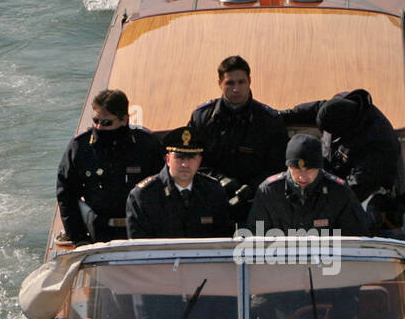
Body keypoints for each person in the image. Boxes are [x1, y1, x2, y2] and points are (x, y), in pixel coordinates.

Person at [185, 55, 288, 222]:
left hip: (257, 203)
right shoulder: (202, 118)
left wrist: (253, 188)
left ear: (249, 81)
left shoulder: (269, 121)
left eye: (241, 82)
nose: (236, 89)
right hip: (212, 200)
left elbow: (279, 165)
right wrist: (220, 181)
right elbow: (192, 158)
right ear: (220, 84)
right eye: (230, 83)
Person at [54, 89, 163, 245]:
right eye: (95, 120)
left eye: (106, 122)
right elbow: (66, 194)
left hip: (142, 230)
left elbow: (163, 186)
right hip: (99, 232)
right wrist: (78, 238)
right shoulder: (80, 147)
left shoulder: (146, 145)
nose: (99, 127)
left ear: (124, 120)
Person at [278, 89, 400, 203]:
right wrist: (281, 116)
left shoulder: (377, 144)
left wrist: (318, 200)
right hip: (328, 164)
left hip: (361, 188)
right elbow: (317, 109)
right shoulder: (341, 103)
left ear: (345, 132)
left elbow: (356, 188)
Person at [246, 134, 369, 235]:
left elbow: (356, 239)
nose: (302, 177)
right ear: (288, 166)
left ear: (320, 168)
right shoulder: (269, 192)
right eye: (297, 169)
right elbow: (256, 239)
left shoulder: (339, 192)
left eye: (310, 170)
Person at [126, 127, 234, 239]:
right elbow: (139, 247)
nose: (185, 164)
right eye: (179, 158)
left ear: (200, 160)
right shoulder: (144, 196)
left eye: (191, 158)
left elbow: (224, 239)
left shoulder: (213, 192)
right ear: (168, 159)